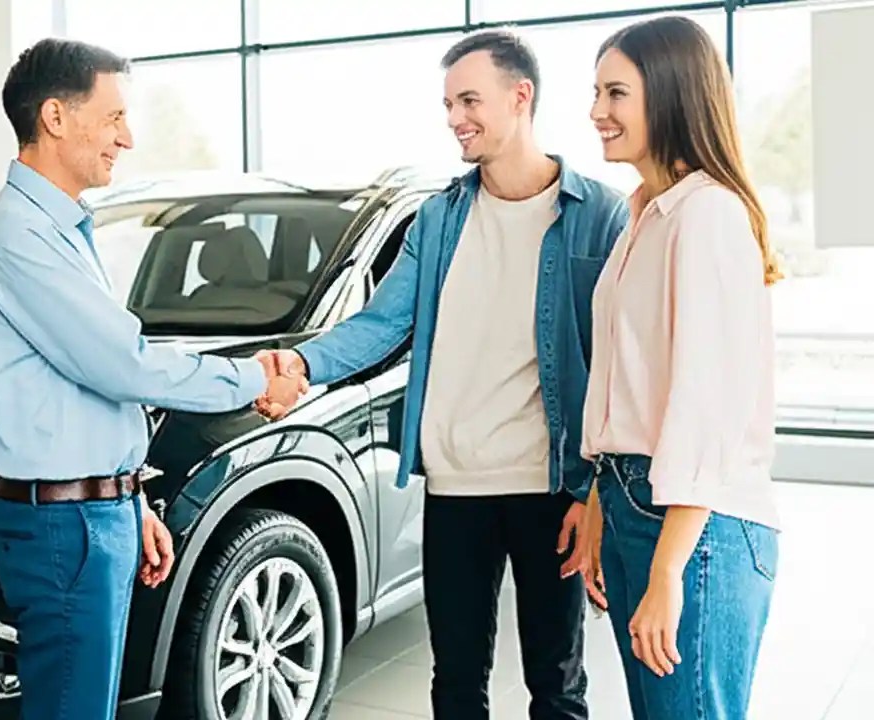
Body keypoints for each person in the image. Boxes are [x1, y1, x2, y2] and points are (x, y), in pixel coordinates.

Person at [258, 29, 629, 720]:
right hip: (456, 488)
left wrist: (598, 490)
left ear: (521, 97)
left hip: (552, 489)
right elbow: (380, 324)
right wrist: (303, 364)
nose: (455, 118)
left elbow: (622, 363)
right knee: (456, 680)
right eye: (448, 103)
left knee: (557, 682)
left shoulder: (600, 216)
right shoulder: (439, 218)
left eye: (469, 100)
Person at [0, 38, 306, 720]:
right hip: (65, 523)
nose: (129, 135)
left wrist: (129, 498)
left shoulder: (59, 229)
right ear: (56, 118)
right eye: (114, 115)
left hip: (91, 512)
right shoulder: (19, 235)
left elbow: (77, 391)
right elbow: (122, 363)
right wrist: (252, 380)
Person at [571, 15, 783, 720]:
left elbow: (705, 405)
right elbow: (629, 380)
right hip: (639, 501)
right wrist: (604, 499)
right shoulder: (644, 215)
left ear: (670, 94)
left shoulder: (707, 216)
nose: (597, 112)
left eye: (615, 93)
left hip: (700, 526)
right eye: (596, 92)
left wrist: (668, 568)